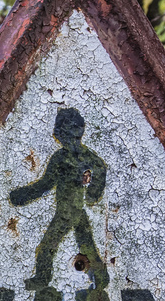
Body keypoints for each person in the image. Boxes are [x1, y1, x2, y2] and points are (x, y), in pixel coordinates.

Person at [9, 107, 109, 291]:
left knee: (47, 246)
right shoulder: (74, 156)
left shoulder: (64, 157)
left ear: (63, 133)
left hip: (66, 213)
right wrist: (92, 194)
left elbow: (45, 185)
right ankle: (101, 277)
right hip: (76, 211)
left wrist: (93, 194)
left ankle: (42, 279)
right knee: (87, 246)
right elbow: (100, 169)